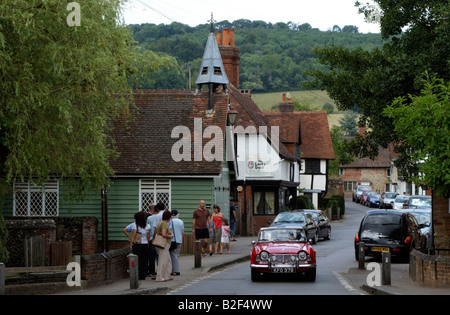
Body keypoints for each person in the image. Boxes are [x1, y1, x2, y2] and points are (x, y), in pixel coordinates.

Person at [130, 211, 151, 280]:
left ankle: (137, 274)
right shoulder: (148, 226)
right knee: (144, 260)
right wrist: (148, 243)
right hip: (145, 244)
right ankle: (143, 274)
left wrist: (131, 243)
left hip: (137, 244)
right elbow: (148, 236)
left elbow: (134, 235)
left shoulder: (135, 225)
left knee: (137, 260)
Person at [154, 210, 174, 282]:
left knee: (168, 260)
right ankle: (159, 277)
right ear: (169, 217)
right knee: (162, 261)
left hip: (161, 244)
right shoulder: (165, 224)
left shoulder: (160, 223)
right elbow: (164, 234)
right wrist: (171, 236)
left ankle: (167, 275)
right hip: (164, 244)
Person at [169, 210, 184, 276]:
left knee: (173, 255)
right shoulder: (181, 221)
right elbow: (182, 232)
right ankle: (174, 269)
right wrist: (181, 239)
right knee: (176, 255)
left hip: (172, 240)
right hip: (179, 240)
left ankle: (175, 270)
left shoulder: (170, 221)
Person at [146, 204, 158, 278]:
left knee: (151, 256)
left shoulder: (149, 218)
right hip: (159, 238)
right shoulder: (160, 217)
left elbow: (147, 229)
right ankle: (160, 270)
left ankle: (152, 271)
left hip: (151, 239)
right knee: (159, 255)